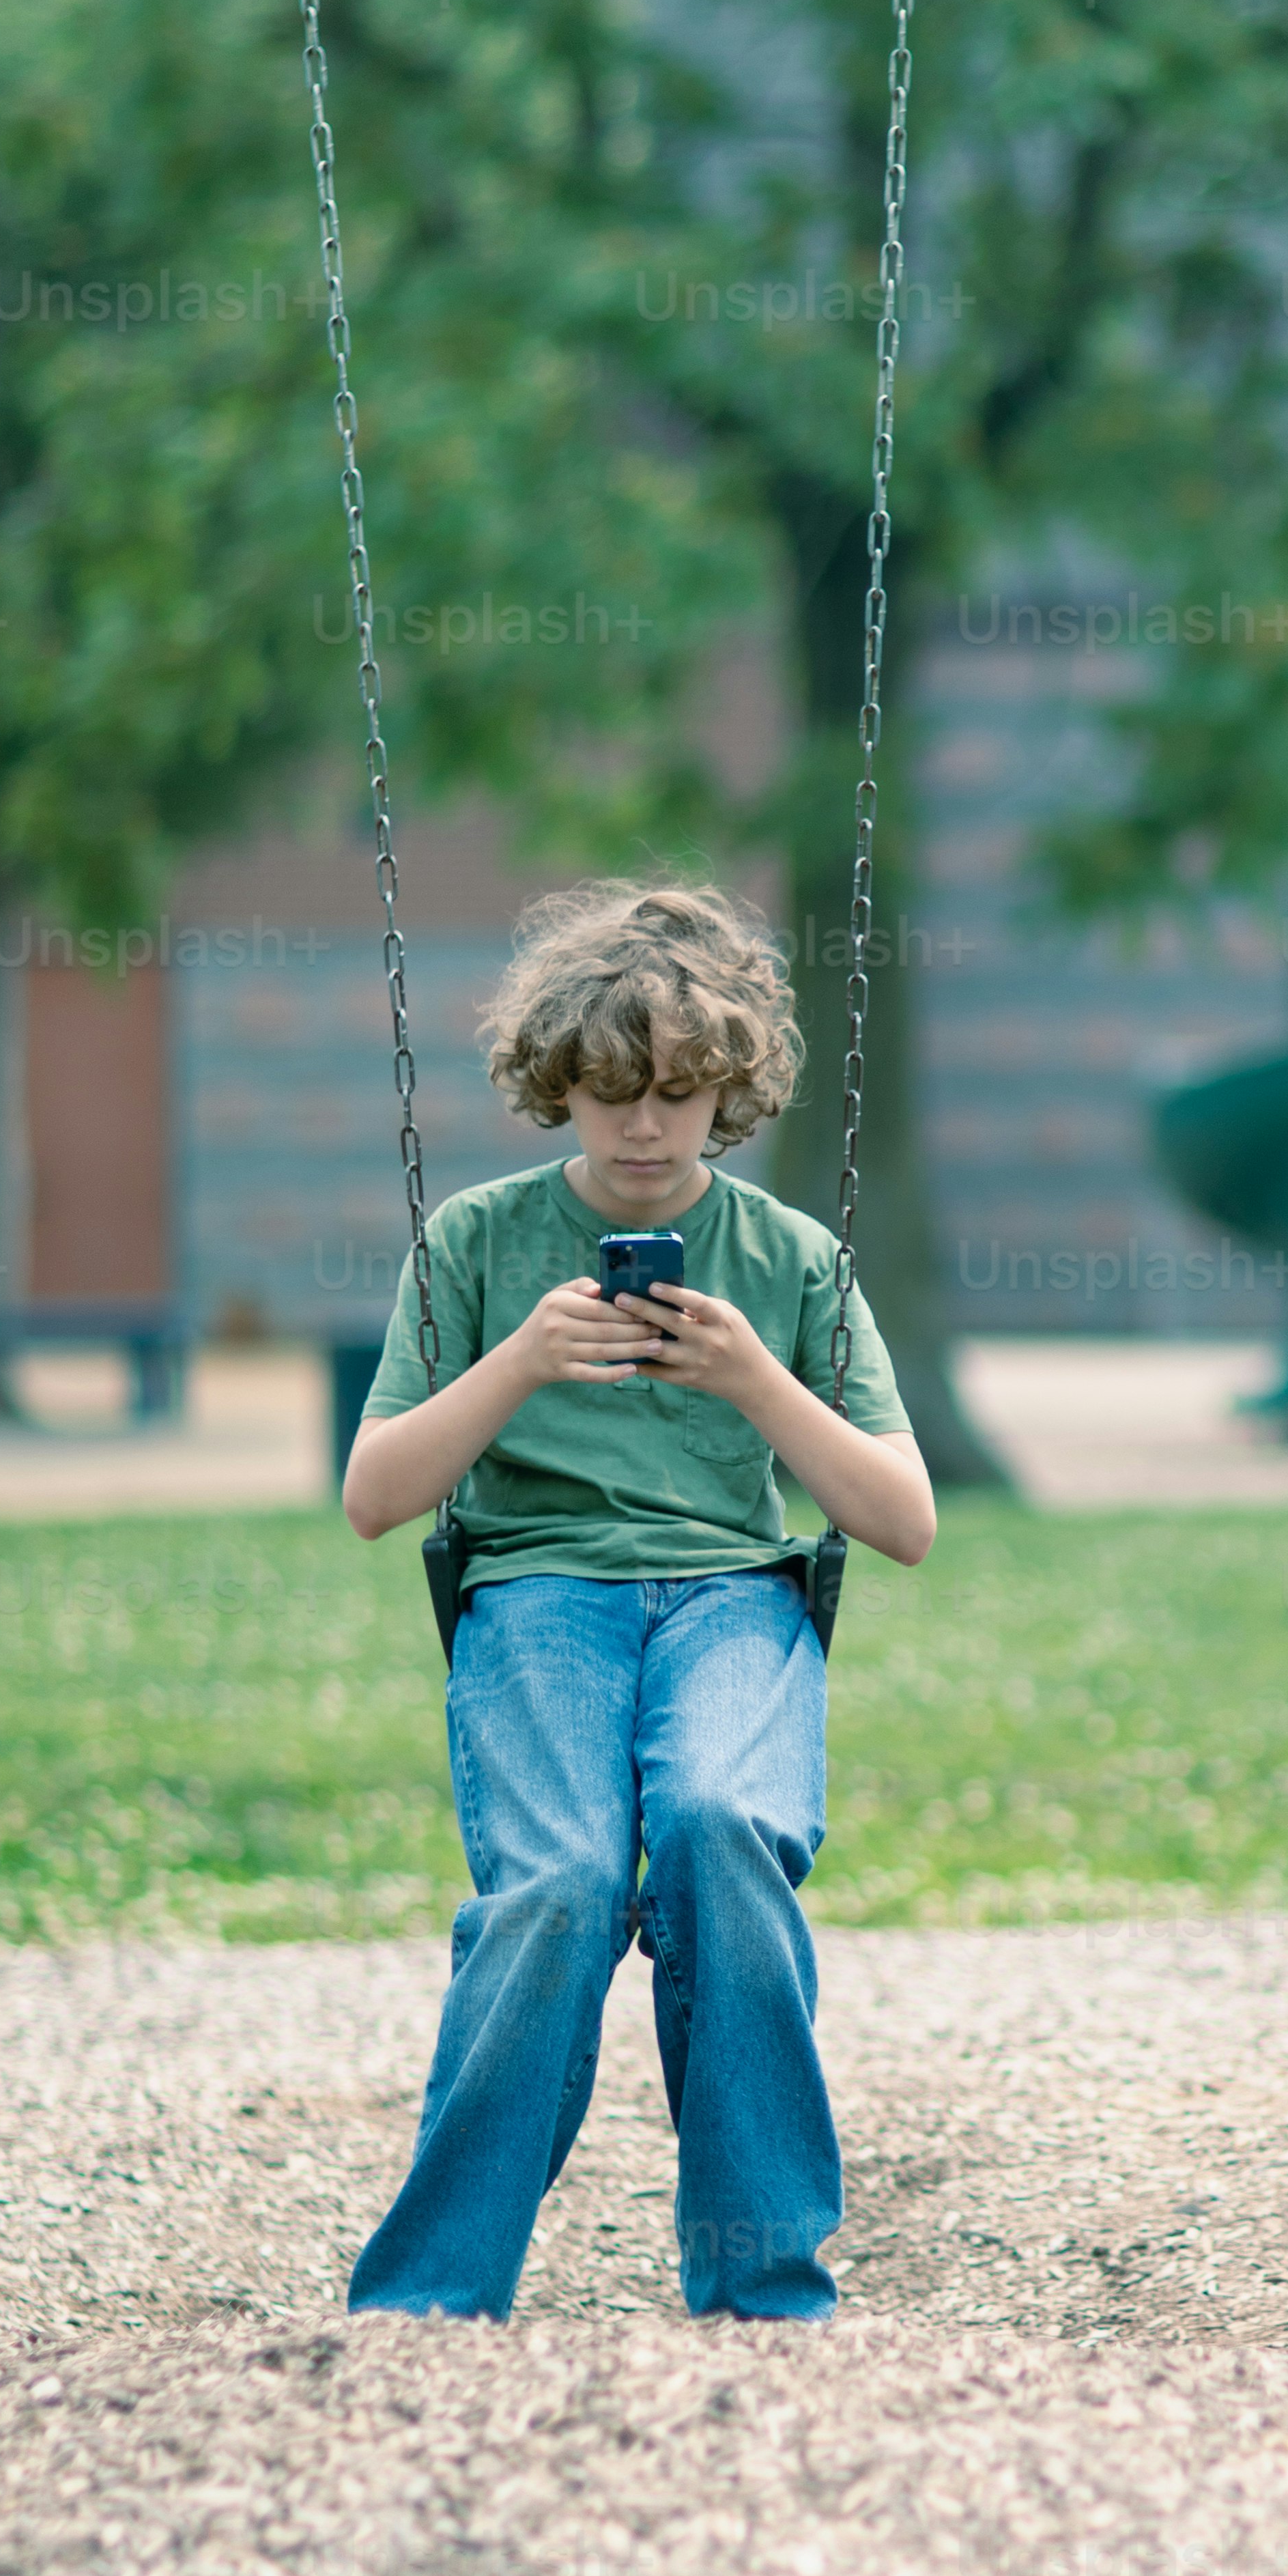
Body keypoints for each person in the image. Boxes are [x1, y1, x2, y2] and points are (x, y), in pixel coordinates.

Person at [339, 877, 935, 2325]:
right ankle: (429, 2299)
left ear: (730, 1090)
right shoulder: (479, 1245)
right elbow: (374, 1495)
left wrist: (753, 1376)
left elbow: (902, 1520)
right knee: (557, 1885)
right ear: (561, 1086)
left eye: (678, 1092)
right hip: (542, 1597)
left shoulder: (795, 1261)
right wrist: (521, 1364)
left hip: (733, 1599)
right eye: (612, 1093)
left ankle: (762, 2285)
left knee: (725, 1833)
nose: (646, 1127)